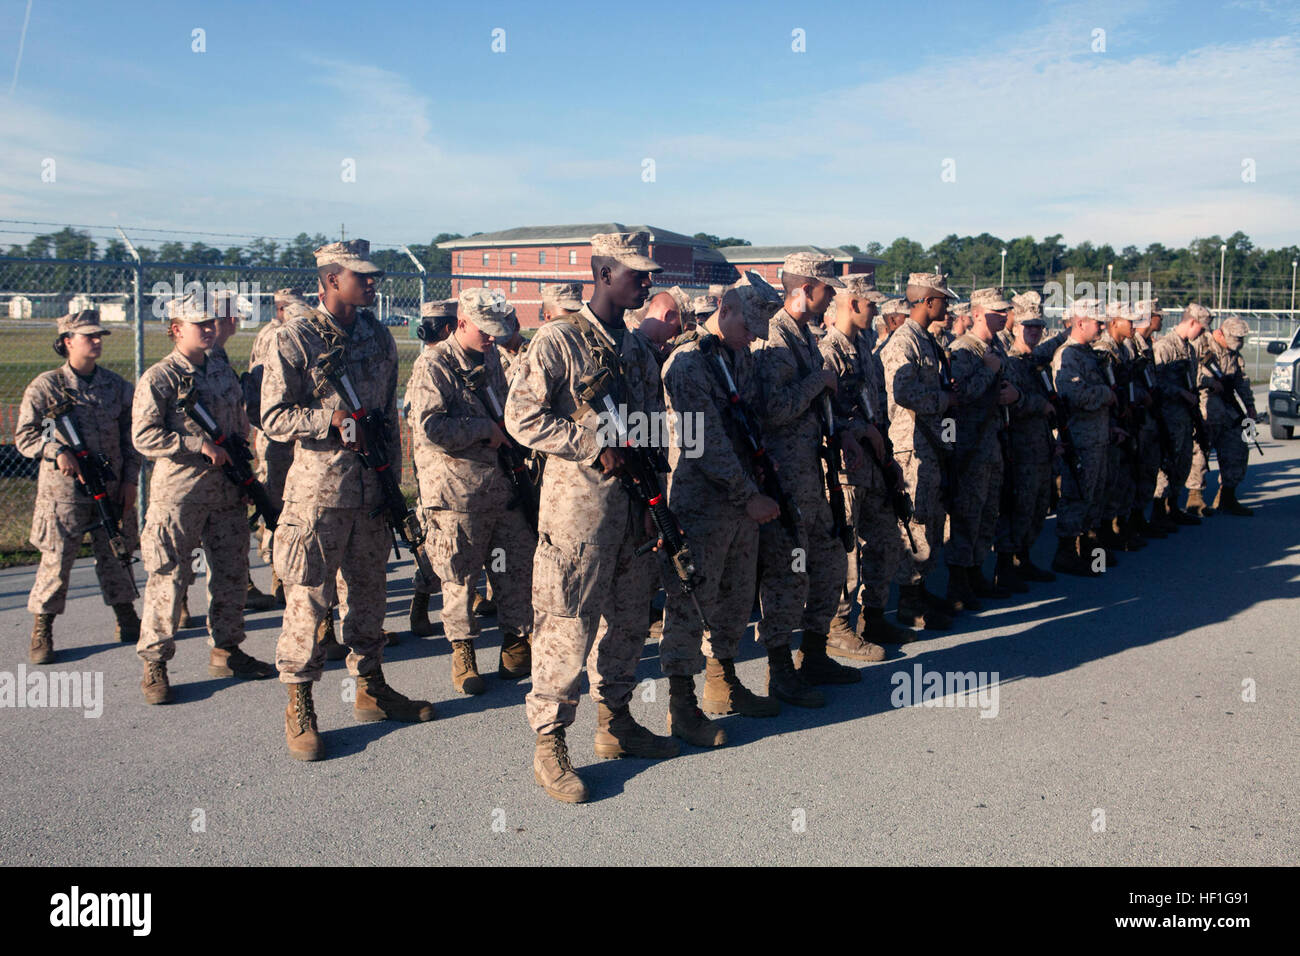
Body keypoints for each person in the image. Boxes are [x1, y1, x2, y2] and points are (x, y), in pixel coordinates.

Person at [504, 231, 678, 804]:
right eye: (637, 274)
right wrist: (590, 441)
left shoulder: (633, 350)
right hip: (577, 516)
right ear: (603, 273)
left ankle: (617, 722)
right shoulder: (558, 341)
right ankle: (550, 744)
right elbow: (521, 418)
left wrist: (656, 505)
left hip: (633, 512)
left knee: (628, 622)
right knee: (566, 627)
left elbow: (653, 427)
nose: (647, 283)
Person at [261, 239, 435, 761]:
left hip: (371, 490)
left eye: (373, 275)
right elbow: (272, 417)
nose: (373, 283)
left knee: (370, 593)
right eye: (361, 275)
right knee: (310, 598)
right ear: (331, 279)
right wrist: (327, 420)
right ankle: (300, 702)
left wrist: (392, 483)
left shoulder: (379, 336)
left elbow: (384, 415)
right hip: (319, 494)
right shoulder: (294, 338)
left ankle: (371, 686)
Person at [131, 293, 275, 703]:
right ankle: (156, 663)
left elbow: (236, 427)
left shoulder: (221, 369)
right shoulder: (161, 377)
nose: (211, 329)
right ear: (176, 330)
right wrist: (196, 444)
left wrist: (245, 479)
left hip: (227, 492)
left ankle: (227, 649)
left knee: (230, 573)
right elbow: (143, 436)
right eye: (201, 324)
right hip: (180, 494)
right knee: (169, 578)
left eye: (213, 323)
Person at [657, 287, 781, 744]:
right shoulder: (687, 363)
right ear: (724, 311)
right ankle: (680, 704)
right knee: (691, 604)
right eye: (748, 328)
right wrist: (747, 494)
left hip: (742, 499)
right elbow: (701, 440)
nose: (752, 339)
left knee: (734, 597)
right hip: (703, 502)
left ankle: (722, 682)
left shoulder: (738, 355)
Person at [406, 288, 536, 694]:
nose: (493, 338)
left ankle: (516, 642)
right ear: (462, 321)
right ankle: (463, 652)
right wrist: (486, 432)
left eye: (498, 331)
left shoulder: (492, 354)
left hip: (501, 485)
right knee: (460, 575)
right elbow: (430, 427)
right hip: (456, 492)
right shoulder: (434, 364)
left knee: (514, 567)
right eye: (485, 330)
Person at [755, 252, 866, 704]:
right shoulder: (774, 338)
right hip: (787, 479)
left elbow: (815, 405)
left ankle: (814, 653)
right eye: (825, 289)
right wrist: (817, 382)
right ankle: (780, 669)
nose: (831, 297)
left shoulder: (805, 335)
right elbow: (775, 409)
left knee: (830, 562)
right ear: (804, 289)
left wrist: (844, 433)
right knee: (787, 575)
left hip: (815, 476)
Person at [16, 309, 141, 664]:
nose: (98, 341)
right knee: (56, 562)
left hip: (111, 489)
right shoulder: (47, 386)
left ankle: (126, 616)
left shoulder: (116, 386)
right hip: (64, 495)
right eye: (90, 336)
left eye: (99, 335)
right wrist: (56, 451)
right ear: (67, 342)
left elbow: (132, 437)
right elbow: (25, 436)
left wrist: (131, 480)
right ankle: (43, 628)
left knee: (118, 555)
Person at [821, 275, 909, 653]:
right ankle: (837, 626)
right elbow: (823, 417)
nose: (876, 312)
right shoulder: (829, 351)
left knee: (885, 540)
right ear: (852, 304)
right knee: (847, 550)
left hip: (873, 462)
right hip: (846, 467)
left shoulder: (865, 350)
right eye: (871, 304)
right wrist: (859, 429)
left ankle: (873, 616)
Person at [880, 272, 961, 630]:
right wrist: (945, 399)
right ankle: (909, 603)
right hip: (911, 447)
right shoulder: (904, 341)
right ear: (928, 301)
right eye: (943, 298)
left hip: (929, 445)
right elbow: (904, 393)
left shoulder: (925, 340)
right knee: (916, 525)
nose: (948, 305)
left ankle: (921, 591)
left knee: (930, 521)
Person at [945, 288, 1020, 609]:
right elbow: (960, 395)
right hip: (970, 445)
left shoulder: (996, 347)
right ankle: (958, 582)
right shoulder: (963, 350)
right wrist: (988, 371)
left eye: (1005, 311)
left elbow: (1009, 385)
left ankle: (976, 572)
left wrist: (1015, 394)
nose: (1003, 317)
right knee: (967, 514)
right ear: (977, 313)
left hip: (993, 441)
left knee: (988, 512)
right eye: (996, 311)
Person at [992, 291, 1057, 588]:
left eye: (1038, 327)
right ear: (1015, 325)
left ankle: (1024, 559)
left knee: (1037, 505)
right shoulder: (1011, 362)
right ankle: (1005, 567)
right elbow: (1007, 400)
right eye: (1028, 326)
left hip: (1040, 446)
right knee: (1017, 507)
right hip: (1019, 448)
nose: (1033, 332)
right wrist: (1035, 404)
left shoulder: (1034, 360)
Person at [1049, 299, 1114, 577]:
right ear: (1080, 323)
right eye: (1097, 322)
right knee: (1076, 495)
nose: (1102, 326)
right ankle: (1066, 552)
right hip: (1080, 438)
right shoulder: (1068, 355)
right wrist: (1106, 396)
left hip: (1097, 436)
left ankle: (1090, 550)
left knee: (1094, 495)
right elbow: (1073, 395)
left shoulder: (1089, 353)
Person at [405, 298, 457, 639]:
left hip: (444, 464)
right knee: (434, 536)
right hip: (433, 466)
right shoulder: (431, 362)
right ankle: (421, 601)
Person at [1188, 315, 1258, 516]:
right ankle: (1195, 496)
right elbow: (1189, 373)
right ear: (1219, 333)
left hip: (1228, 410)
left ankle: (1227, 495)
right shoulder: (1201, 346)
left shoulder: (1234, 355)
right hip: (1205, 406)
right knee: (1200, 450)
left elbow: (1241, 381)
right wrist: (1210, 383)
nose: (1236, 344)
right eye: (1233, 338)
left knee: (1238, 446)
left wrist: (1250, 407)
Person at [1152, 303, 1210, 526]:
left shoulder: (1191, 349)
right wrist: (1180, 393)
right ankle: (1159, 509)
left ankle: (1172, 506)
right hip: (1168, 416)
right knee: (1166, 463)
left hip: (1185, 416)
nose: (1202, 334)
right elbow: (1155, 383)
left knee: (1183, 461)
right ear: (1192, 322)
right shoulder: (1165, 347)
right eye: (1201, 329)